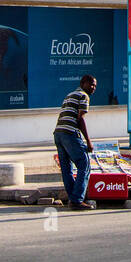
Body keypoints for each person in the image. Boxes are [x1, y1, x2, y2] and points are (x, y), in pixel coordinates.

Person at [54, 74, 97, 210]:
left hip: (58, 133)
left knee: (67, 168)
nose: (93, 88)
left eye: (95, 86)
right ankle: (77, 200)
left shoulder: (70, 94)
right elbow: (80, 119)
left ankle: (73, 198)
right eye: (91, 84)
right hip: (69, 133)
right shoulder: (83, 96)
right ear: (83, 83)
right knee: (84, 164)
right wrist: (88, 141)